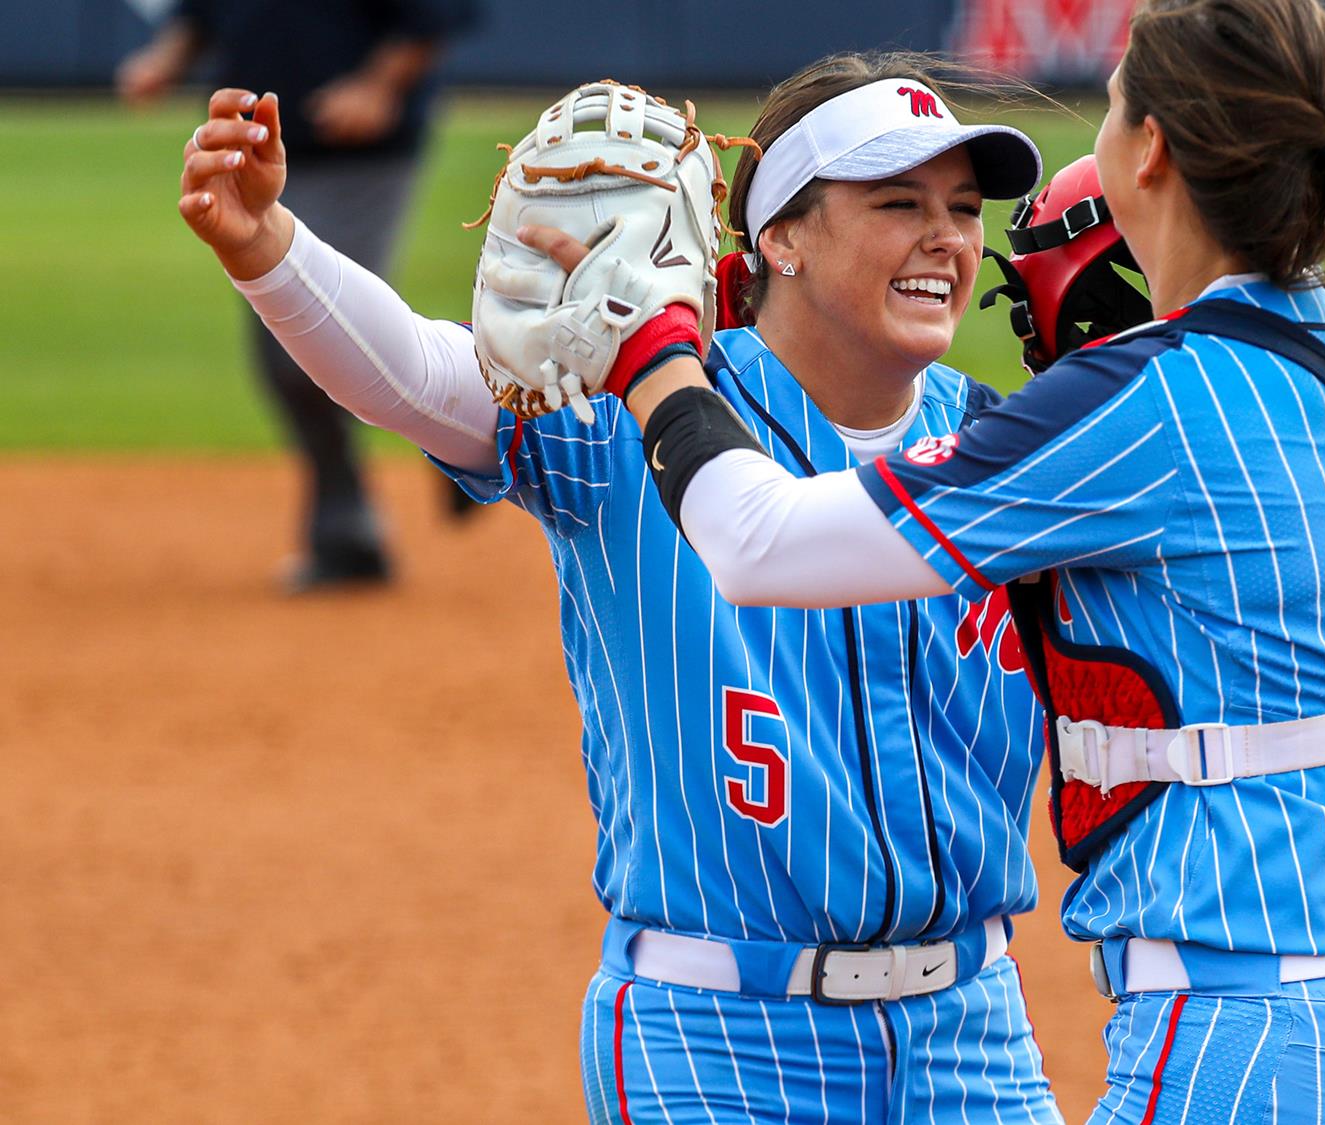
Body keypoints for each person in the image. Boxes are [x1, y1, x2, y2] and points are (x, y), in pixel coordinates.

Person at [619, 0, 1325, 1118]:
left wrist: (655, 349)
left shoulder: (1151, 400)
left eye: (1113, 99)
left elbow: (757, 542)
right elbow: (1280, 712)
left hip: (1242, 1055)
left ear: (1152, 151)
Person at [175, 56, 1066, 1124]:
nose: (948, 239)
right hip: (719, 1043)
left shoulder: (1006, 448)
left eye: (964, 210)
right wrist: (269, 247)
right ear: (778, 237)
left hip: (972, 1036)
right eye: (897, 204)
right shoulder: (629, 414)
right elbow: (415, 372)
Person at [121, 0, 479, 590]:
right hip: (253, 163)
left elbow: (429, 17)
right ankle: (455, 400)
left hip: (359, 157)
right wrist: (165, 59)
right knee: (287, 346)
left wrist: (376, 86)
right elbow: (204, 16)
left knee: (302, 341)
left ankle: (444, 421)